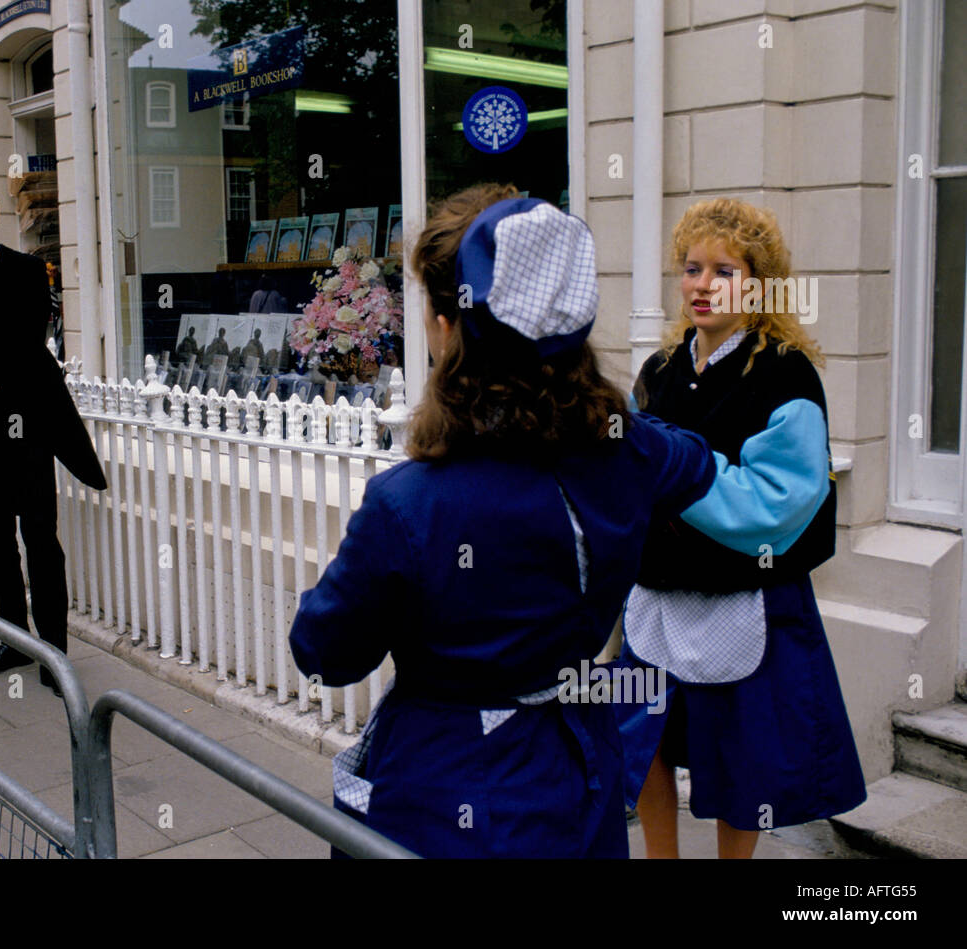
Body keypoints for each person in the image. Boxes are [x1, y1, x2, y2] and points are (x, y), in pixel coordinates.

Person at [287, 185, 824, 858]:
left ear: (451, 327)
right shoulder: (633, 449)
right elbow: (714, 474)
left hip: (450, 782)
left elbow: (325, 650)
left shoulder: (407, 503)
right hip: (579, 773)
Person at [616, 198, 866, 858]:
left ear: (760, 281)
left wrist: (677, 476)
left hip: (746, 599)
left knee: (743, 759)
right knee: (642, 738)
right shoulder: (661, 371)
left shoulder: (785, 374)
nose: (702, 284)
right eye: (691, 268)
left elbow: (777, 502)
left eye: (723, 269)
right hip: (658, 596)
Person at [0, 176, 106, 697]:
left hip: (27, 424)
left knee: (39, 538)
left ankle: (53, 651)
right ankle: (12, 637)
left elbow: (29, 340)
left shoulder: (30, 270)